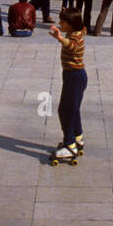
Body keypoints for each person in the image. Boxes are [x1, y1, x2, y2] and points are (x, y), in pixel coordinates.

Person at [49, 8, 87, 163]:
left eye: (62, 22)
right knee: (73, 108)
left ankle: (70, 144)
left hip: (75, 77)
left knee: (65, 110)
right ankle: (78, 137)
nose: (60, 24)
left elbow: (72, 46)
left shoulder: (75, 37)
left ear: (70, 25)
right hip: (73, 75)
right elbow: (82, 27)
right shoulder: (79, 31)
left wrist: (59, 38)